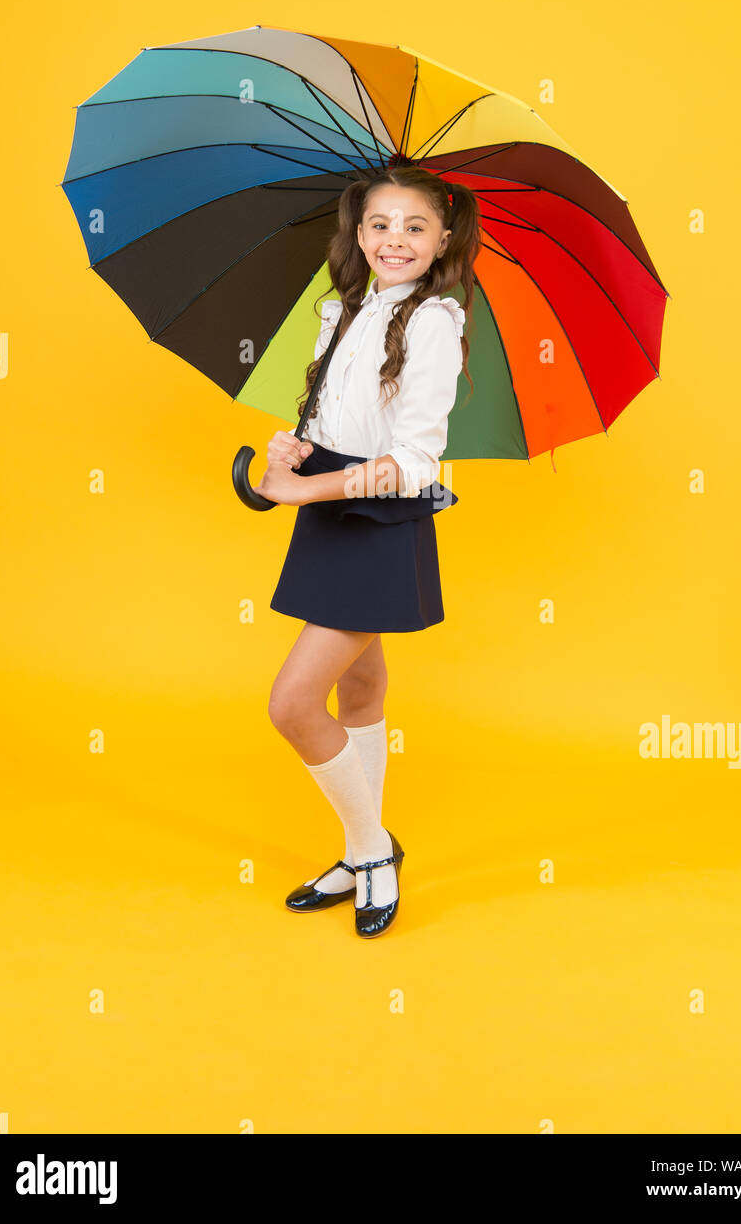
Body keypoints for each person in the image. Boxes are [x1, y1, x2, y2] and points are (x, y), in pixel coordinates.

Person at [251, 166, 479, 937]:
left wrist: (307, 491)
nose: (394, 240)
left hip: (378, 523)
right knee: (360, 689)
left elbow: (415, 461)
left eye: (414, 227)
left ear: (443, 239)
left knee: (291, 705)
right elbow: (337, 420)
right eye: (380, 224)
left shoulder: (433, 323)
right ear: (358, 234)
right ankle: (364, 852)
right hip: (329, 505)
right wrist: (293, 450)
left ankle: (371, 851)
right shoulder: (341, 310)